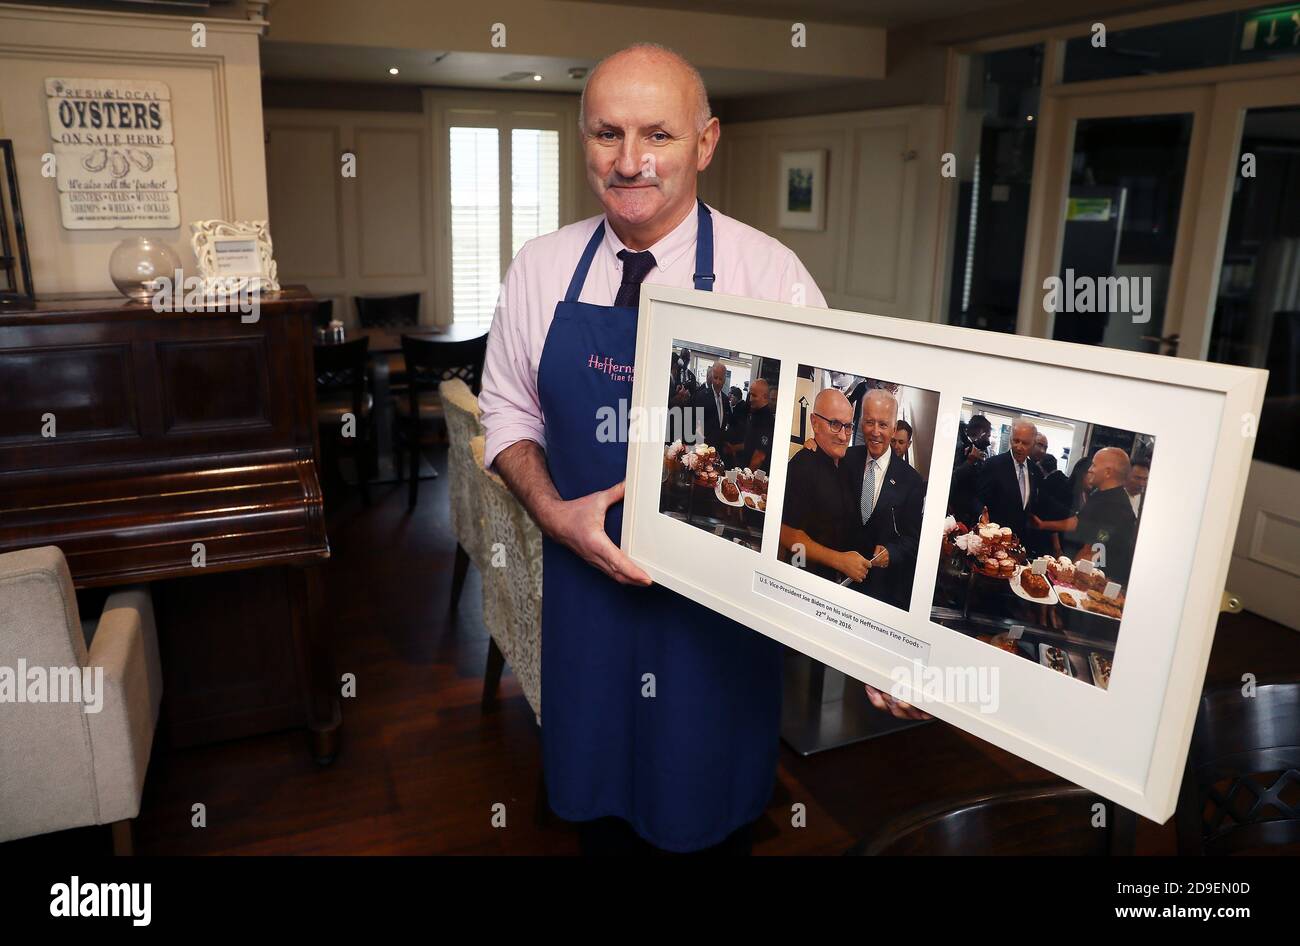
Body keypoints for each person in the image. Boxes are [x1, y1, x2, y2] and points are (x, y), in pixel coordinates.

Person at [477, 42, 826, 855]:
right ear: (584, 139)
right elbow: (506, 411)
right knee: (594, 814)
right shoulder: (541, 268)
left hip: (718, 619)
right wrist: (552, 511)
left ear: (705, 143)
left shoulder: (770, 277)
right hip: (585, 601)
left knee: (707, 812)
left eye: (658, 137)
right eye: (607, 134)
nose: (630, 162)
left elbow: (809, 456)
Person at [842, 389, 925, 608]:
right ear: (861, 423)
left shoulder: (912, 481)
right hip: (838, 579)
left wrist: (893, 553)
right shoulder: (844, 459)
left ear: (894, 428)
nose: (875, 432)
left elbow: (914, 540)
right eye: (869, 422)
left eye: (883, 424)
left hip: (879, 592)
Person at [779, 388, 867, 584]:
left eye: (848, 426)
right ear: (814, 423)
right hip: (802, 578)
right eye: (835, 424)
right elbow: (787, 534)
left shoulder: (846, 462)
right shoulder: (802, 466)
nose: (844, 436)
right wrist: (840, 561)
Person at [1033, 447, 1138, 584]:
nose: (1090, 469)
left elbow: (1093, 549)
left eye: (1094, 465)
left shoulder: (1116, 506)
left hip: (1103, 581)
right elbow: (1078, 521)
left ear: (1107, 472)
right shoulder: (1101, 494)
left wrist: (1067, 578)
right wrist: (1043, 525)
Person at [974, 418, 1041, 541]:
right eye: (1016, 441)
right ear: (1010, 439)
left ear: (1033, 444)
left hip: (1021, 541)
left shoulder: (1035, 471)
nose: (1019, 447)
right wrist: (981, 516)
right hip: (995, 539)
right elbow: (977, 498)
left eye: (1025, 443)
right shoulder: (993, 465)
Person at [947, 414, 990, 522]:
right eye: (988, 435)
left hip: (971, 509)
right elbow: (953, 477)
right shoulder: (959, 447)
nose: (988, 439)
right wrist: (970, 462)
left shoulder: (977, 449)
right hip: (958, 510)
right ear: (981, 432)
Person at [690, 360, 731, 450]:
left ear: (724, 380)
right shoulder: (701, 396)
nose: (717, 382)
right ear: (712, 377)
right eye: (715, 378)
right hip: (702, 448)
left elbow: (724, 424)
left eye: (720, 379)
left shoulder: (725, 400)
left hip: (718, 449)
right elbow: (694, 423)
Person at [738, 378, 775, 473]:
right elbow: (750, 442)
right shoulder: (755, 414)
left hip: (754, 477)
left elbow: (760, 456)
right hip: (746, 468)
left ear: (765, 397)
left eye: (754, 395)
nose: (750, 399)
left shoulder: (767, 419)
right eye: (750, 394)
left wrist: (745, 477)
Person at [1126, 454, 1150, 520]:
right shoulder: (1114, 496)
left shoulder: (1145, 499)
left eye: (1145, 479)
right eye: (1137, 478)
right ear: (1126, 475)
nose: (1142, 483)